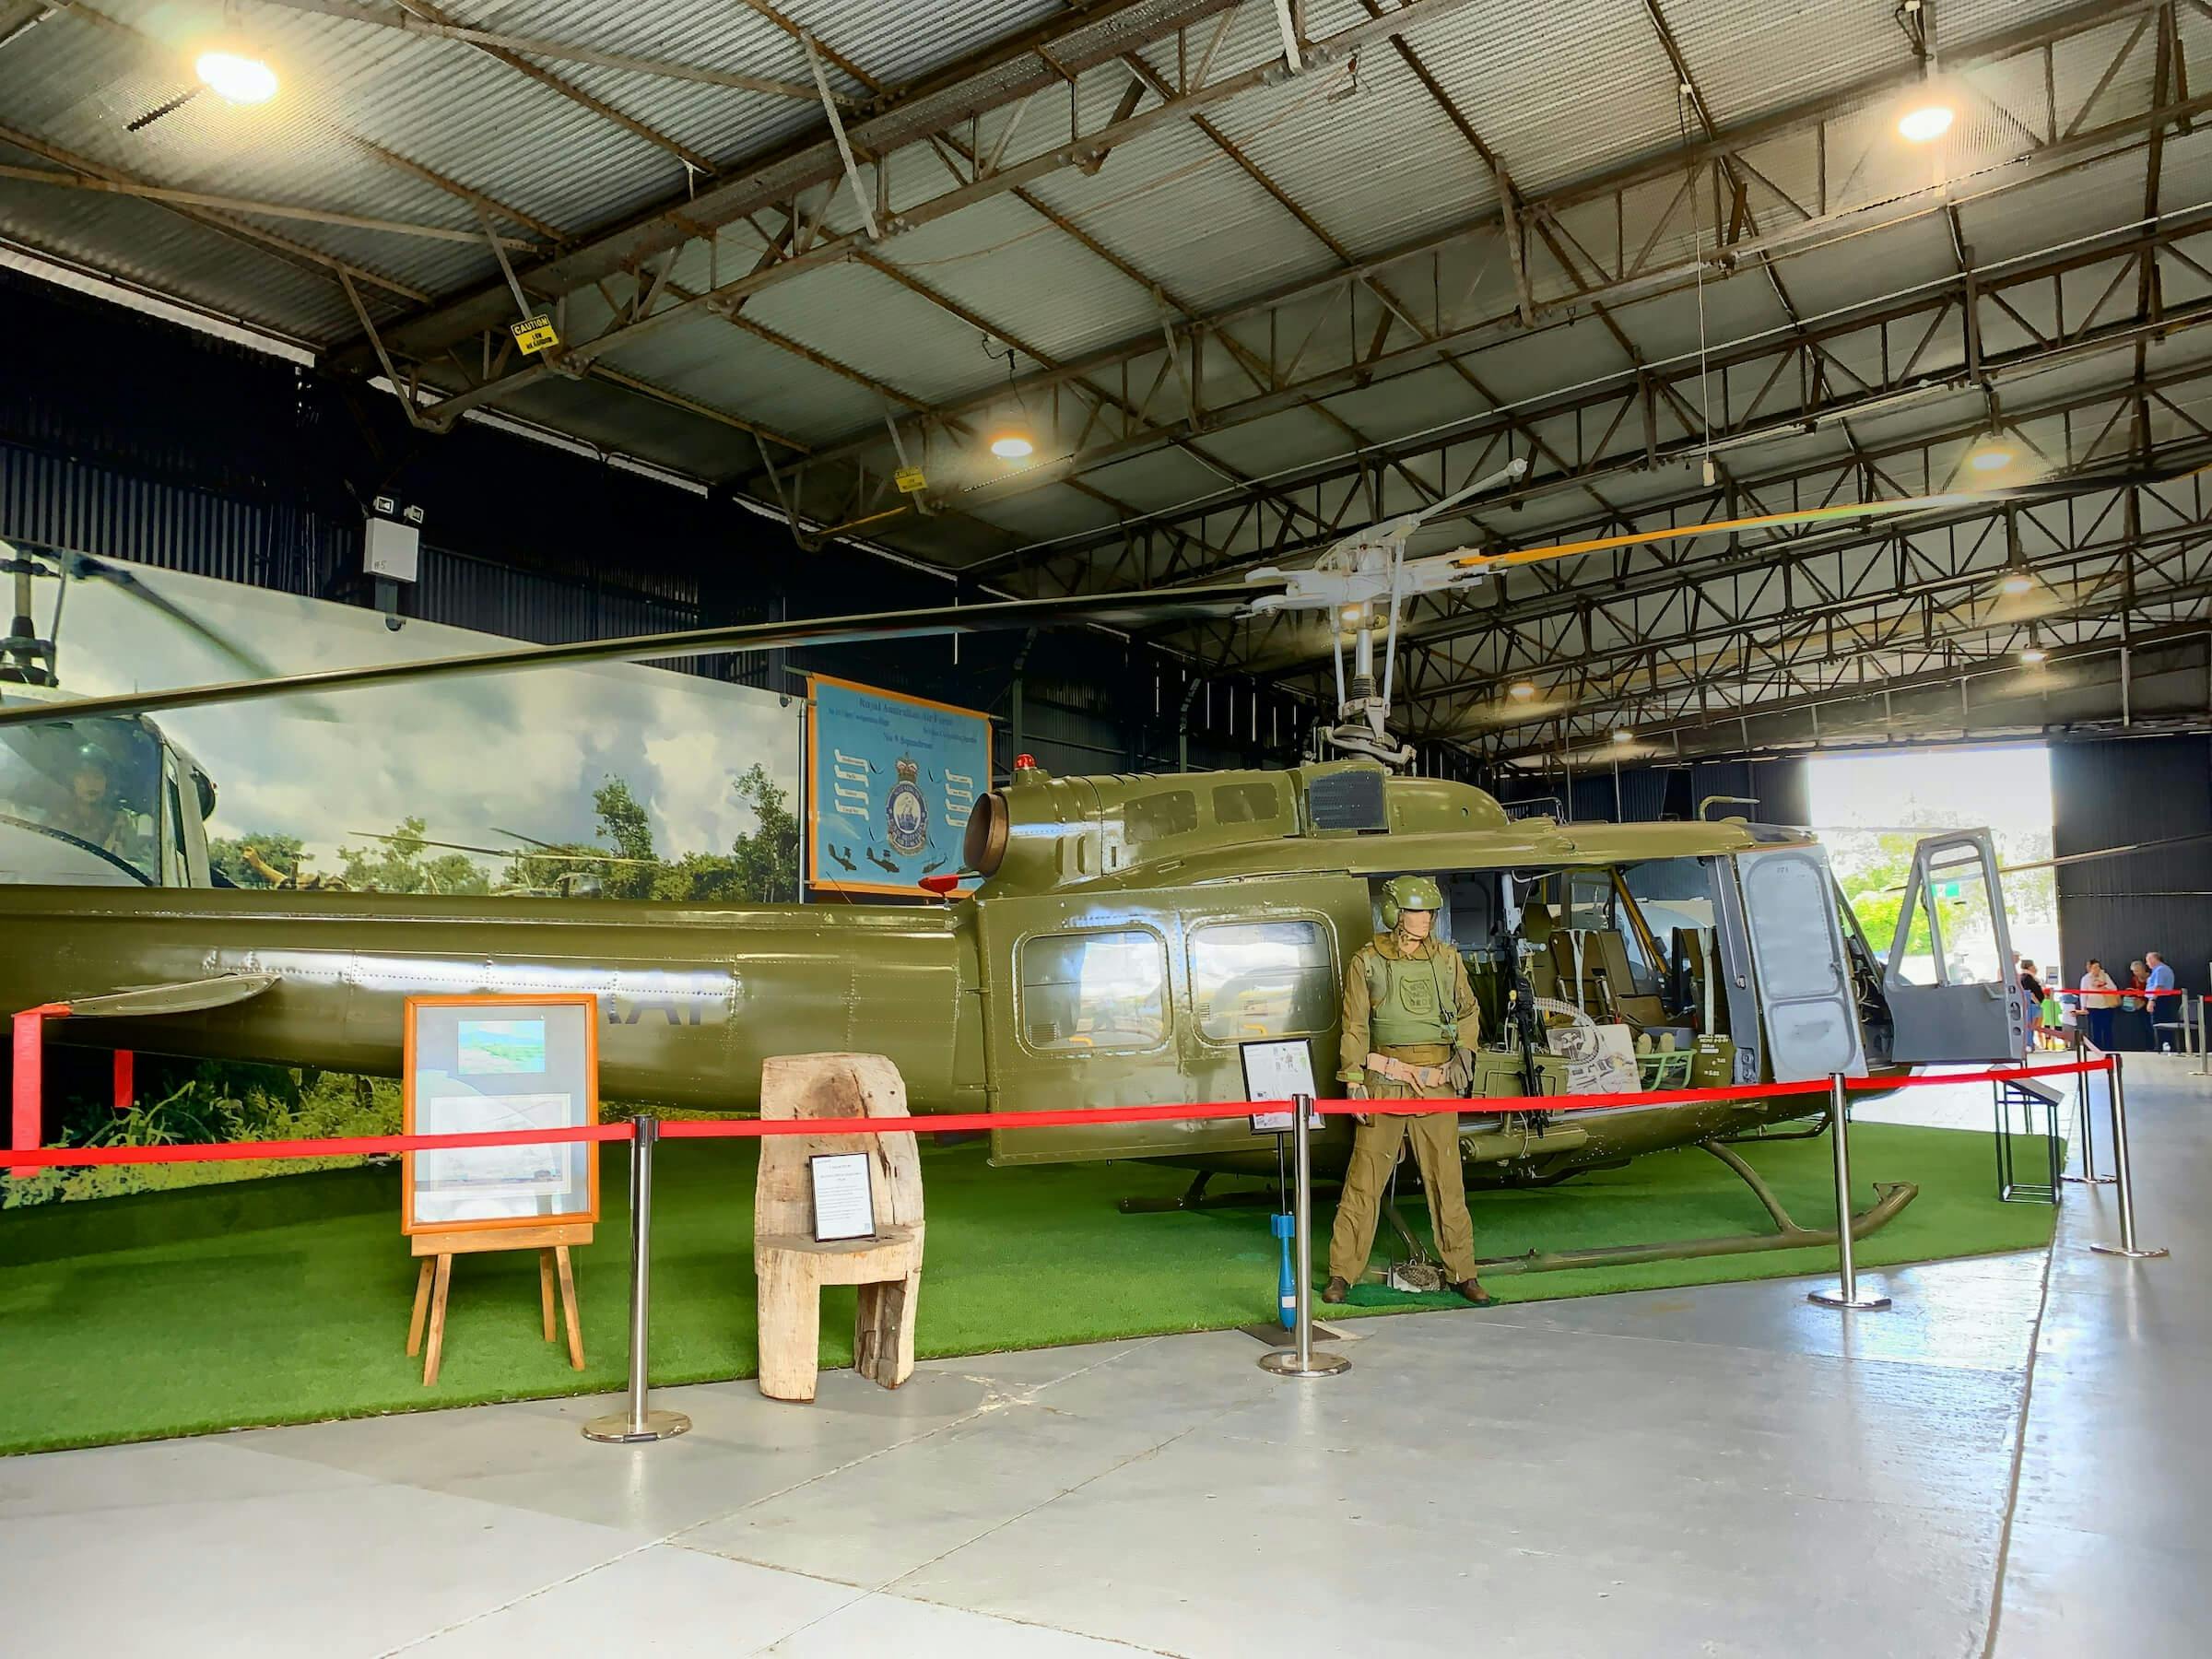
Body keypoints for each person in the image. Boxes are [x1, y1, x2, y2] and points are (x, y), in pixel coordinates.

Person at [1322, 875, 1490, 1308]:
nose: (1425, 920)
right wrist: (1354, 1082)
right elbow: (1355, 1026)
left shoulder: (1448, 960)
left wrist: (1463, 1055)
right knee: (1363, 1182)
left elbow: (1470, 1012)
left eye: (1430, 912)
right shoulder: (1368, 963)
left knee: (1448, 1181)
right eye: (1416, 911)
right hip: (1384, 1084)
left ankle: (1463, 1271)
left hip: (1437, 1085)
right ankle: (1343, 1272)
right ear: (1395, 912)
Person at [2081, 959, 2119, 1052]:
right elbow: (2083, 993)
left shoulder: (2105, 976)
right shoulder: (2086, 979)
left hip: (2106, 1006)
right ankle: (2097, 1050)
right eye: (2094, 967)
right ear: (2089, 968)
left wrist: (2103, 985)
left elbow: (2114, 988)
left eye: (2098, 966)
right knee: (2095, 1030)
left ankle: (2109, 1049)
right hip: (2093, 1007)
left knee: (2107, 1029)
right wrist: (2083, 1007)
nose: (2097, 969)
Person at [2018, 959, 2045, 1054]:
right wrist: (2037, 1002)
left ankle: (2031, 1044)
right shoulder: (2026, 978)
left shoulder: (2030, 978)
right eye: (2034, 966)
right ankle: (2028, 1044)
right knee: (2030, 1025)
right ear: (2030, 967)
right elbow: (2029, 991)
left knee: (2033, 1026)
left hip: (2034, 1004)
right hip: (2032, 1005)